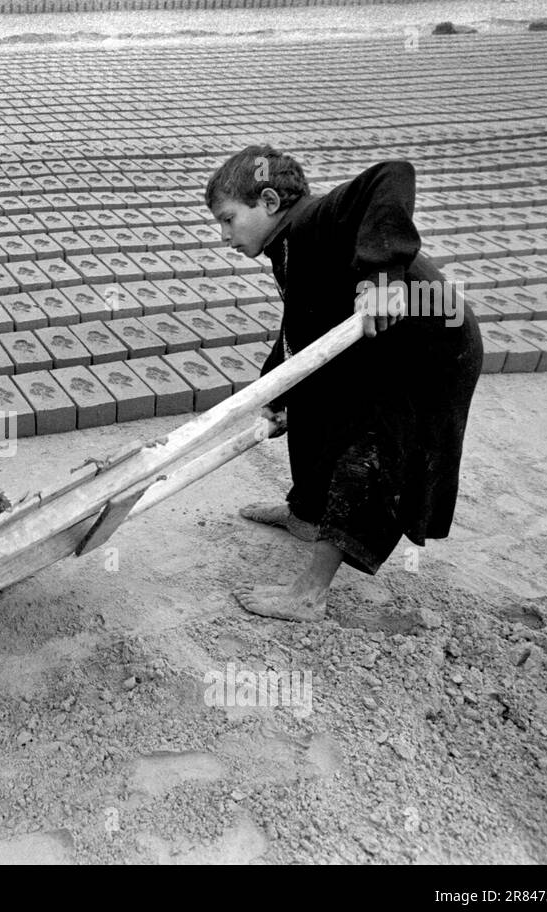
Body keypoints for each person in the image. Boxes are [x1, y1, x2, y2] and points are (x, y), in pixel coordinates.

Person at [204, 145, 483, 621]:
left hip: (430, 357)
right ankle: (305, 516)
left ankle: (309, 595)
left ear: (269, 202)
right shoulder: (288, 248)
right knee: (313, 409)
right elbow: (303, 324)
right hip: (385, 350)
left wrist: (383, 276)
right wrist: (278, 389)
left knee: (366, 451)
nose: (224, 235)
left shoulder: (317, 220)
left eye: (229, 219)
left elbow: (393, 175)